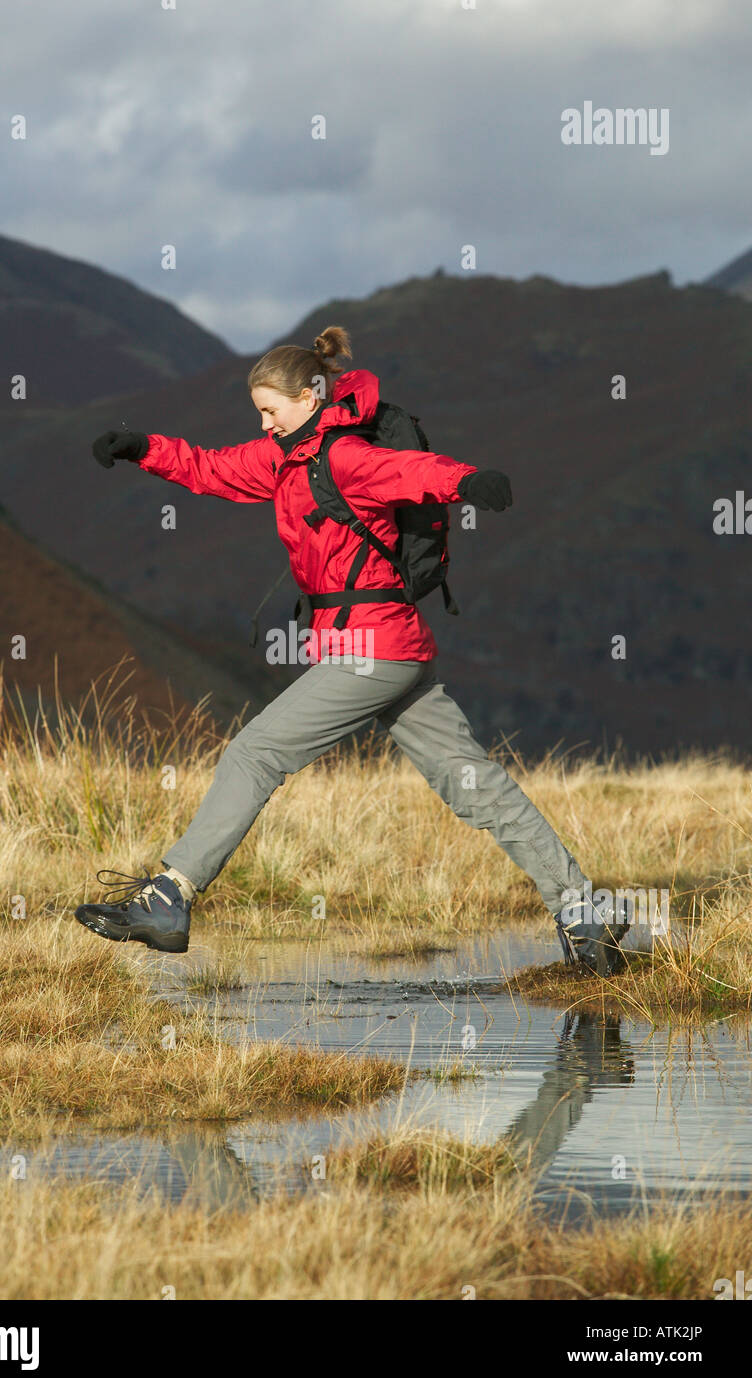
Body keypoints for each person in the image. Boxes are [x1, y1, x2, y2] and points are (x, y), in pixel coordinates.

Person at [74, 326, 629, 977]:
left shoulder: (343, 457)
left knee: (255, 752)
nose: (263, 423)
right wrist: (144, 447)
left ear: (311, 396)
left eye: (270, 410)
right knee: (475, 783)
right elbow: (213, 468)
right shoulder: (283, 459)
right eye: (258, 413)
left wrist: (469, 481)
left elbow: (409, 472)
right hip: (395, 652)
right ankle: (585, 915)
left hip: (370, 652)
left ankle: (168, 898)